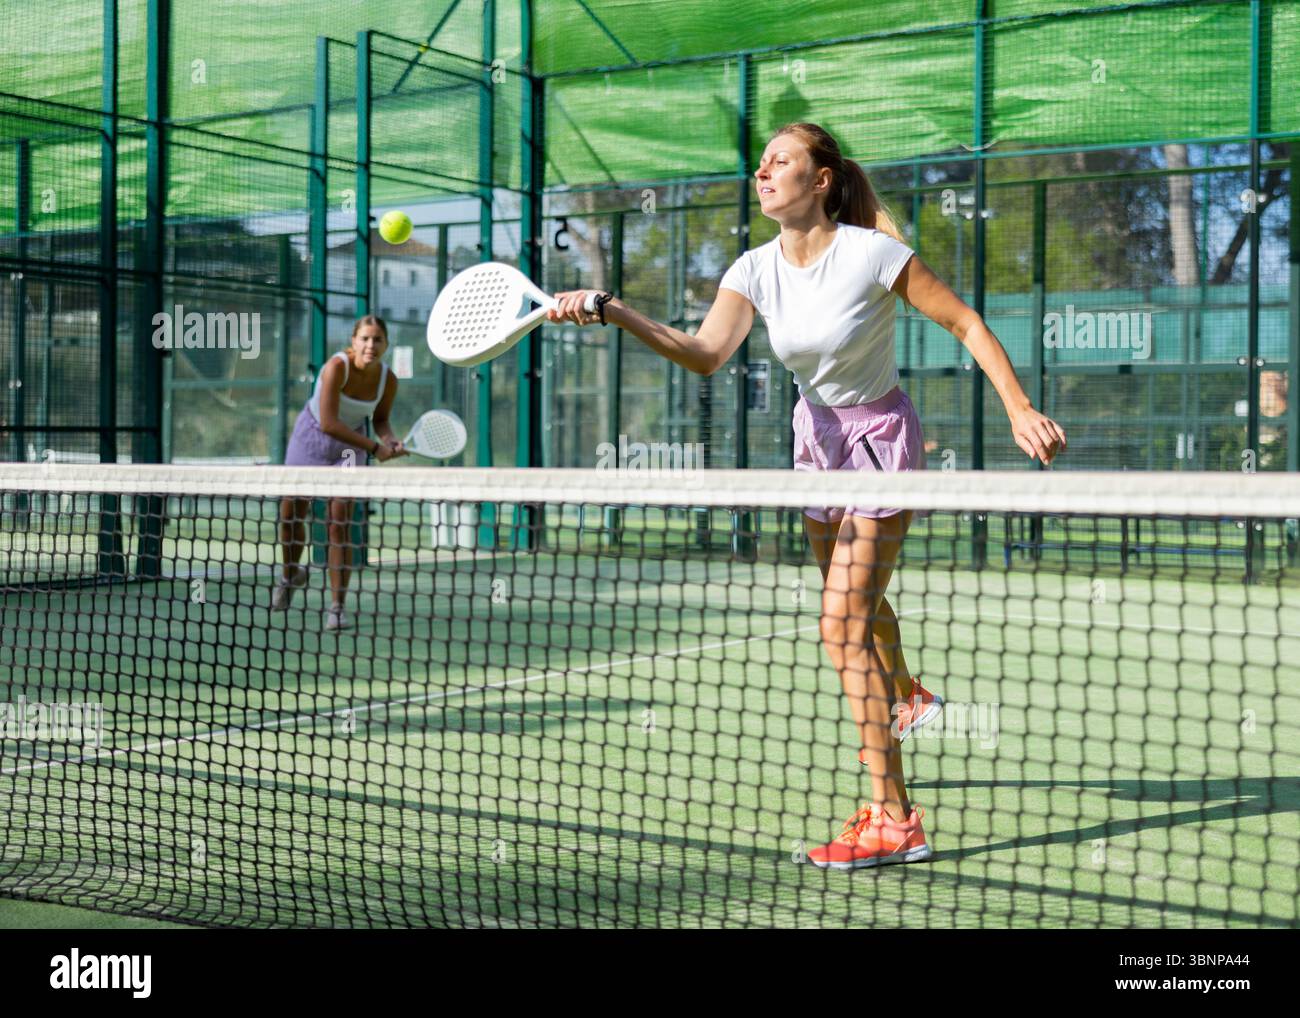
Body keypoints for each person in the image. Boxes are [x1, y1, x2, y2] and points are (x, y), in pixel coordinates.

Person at [546, 121, 1066, 869]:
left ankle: (895, 820)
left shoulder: (873, 254)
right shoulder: (753, 268)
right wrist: (613, 309)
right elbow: (703, 354)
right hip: (815, 443)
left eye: (780, 162)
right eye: (760, 165)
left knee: (838, 624)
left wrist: (1019, 407)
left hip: (880, 441)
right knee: (852, 599)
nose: (763, 173)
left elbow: (965, 322)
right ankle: (909, 693)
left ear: (820, 180)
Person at [274, 314, 407, 630]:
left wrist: (389, 440)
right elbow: (330, 422)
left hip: (349, 449)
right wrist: (376, 449)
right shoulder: (336, 367)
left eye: (377, 339)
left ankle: (336, 607)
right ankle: (290, 574)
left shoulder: (388, 380)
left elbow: (380, 420)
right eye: (364, 338)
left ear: (386, 344)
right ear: (353, 341)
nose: (370, 345)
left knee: (338, 524)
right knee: (291, 514)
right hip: (312, 436)